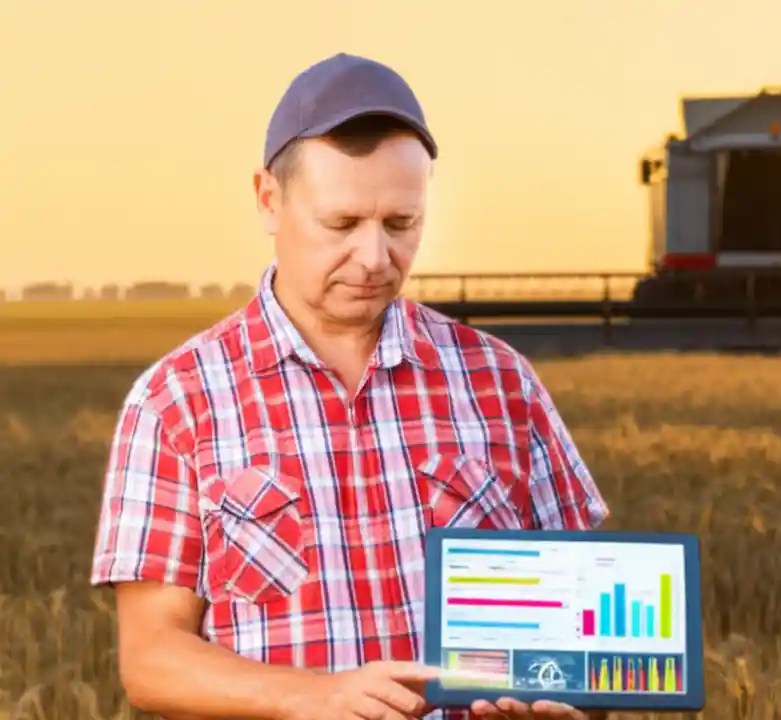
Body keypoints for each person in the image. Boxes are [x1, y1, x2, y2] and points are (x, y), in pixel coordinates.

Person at [89, 52, 610, 720]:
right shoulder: (175, 403)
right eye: (341, 224)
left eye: (401, 224)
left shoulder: (502, 381)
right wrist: (312, 697)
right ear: (269, 201)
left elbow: (584, 638)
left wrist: (565, 704)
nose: (374, 257)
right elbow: (152, 659)